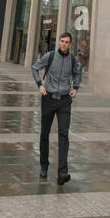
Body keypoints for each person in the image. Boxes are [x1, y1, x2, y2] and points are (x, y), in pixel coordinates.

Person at [32, 31, 82, 184]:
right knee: (44, 133)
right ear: (59, 42)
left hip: (64, 101)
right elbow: (34, 68)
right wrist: (40, 85)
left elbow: (77, 73)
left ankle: (62, 173)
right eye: (62, 41)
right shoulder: (50, 56)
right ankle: (44, 165)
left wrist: (76, 87)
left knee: (64, 135)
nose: (64, 44)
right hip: (48, 98)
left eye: (66, 42)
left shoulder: (72, 59)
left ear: (70, 44)